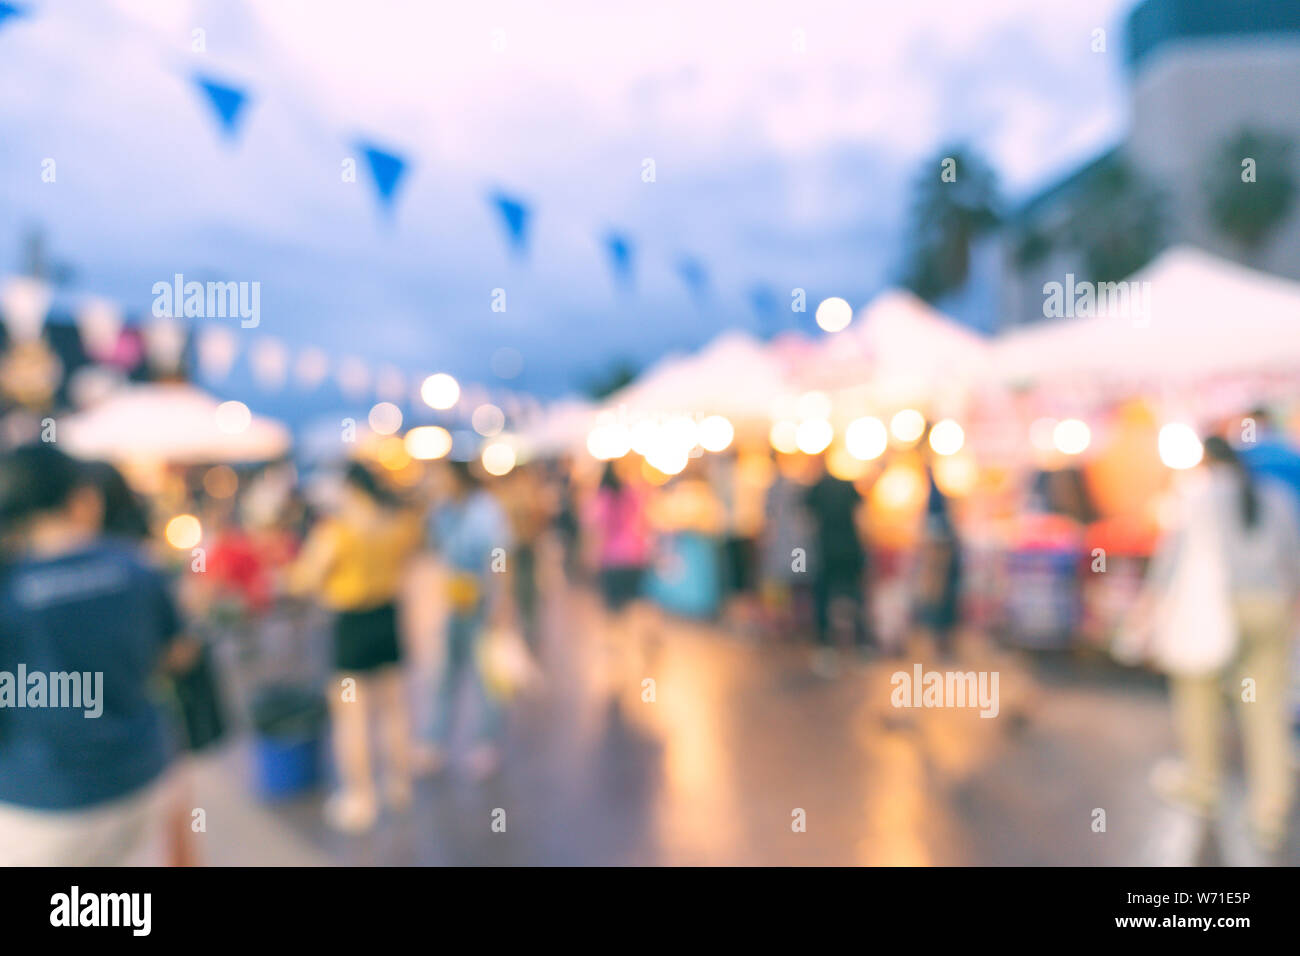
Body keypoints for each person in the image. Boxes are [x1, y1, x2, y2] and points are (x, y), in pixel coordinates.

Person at [0, 445, 194, 865]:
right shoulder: (136, 566)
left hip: (37, 801)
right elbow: (179, 655)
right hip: (141, 780)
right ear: (82, 499)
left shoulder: (10, 582)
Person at [1124, 436, 1300, 856]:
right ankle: (1270, 810)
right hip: (1269, 608)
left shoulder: (1198, 497)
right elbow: (1293, 558)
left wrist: (1147, 611)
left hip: (1217, 612)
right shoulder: (1275, 497)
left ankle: (1204, 783)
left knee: (1198, 696)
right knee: (1263, 709)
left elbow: (1172, 562)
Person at [289, 461, 421, 833]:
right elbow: (408, 558)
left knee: (352, 715)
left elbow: (307, 577)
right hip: (387, 615)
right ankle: (399, 785)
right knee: (394, 707)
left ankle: (361, 798)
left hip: (351, 623)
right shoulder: (394, 522)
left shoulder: (338, 530)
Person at [420, 459, 514, 781]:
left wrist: (501, 599)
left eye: (440, 477)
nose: (436, 483)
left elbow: (500, 555)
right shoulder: (442, 511)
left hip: (482, 603)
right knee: (445, 674)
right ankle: (434, 743)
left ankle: (486, 742)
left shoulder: (486, 511)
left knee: (485, 677)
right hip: (454, 603)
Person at [803, 454, 871, 676]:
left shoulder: (815, 489)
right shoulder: (847, 485)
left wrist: (800, 560)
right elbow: (863, 512)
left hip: (826, 551)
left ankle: (826, 647)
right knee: (855, 595)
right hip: (851, 548)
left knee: (824, 598)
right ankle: (861, 643)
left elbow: (805, 521)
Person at [913, 470, 963, 660]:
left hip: (941, 564)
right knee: (942, 601)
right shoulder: (937, 500)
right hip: (942, 563)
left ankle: (942, 643)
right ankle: (943, 643)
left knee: (940, 602)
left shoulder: (934, 505)